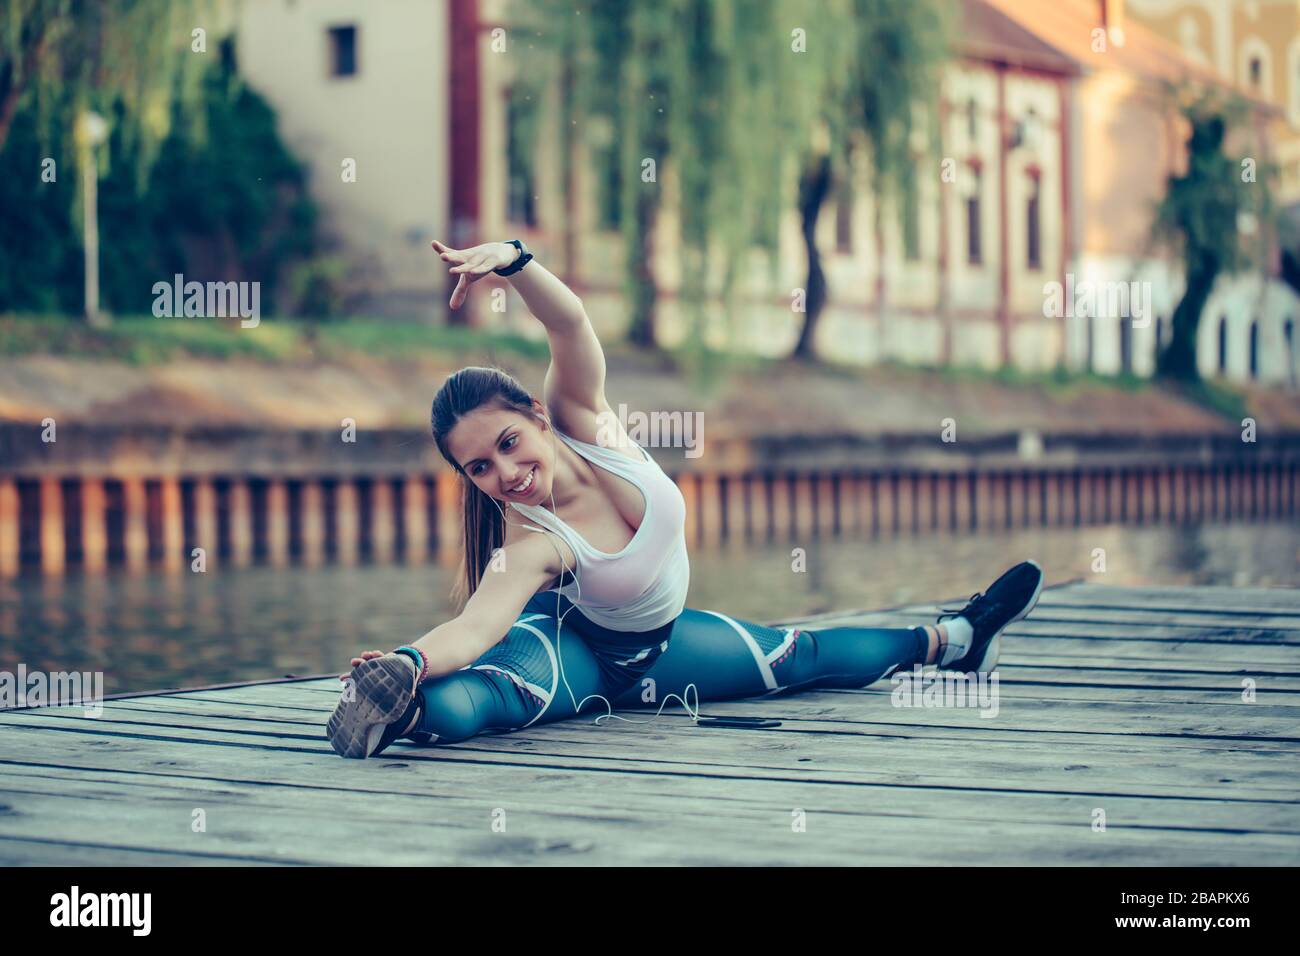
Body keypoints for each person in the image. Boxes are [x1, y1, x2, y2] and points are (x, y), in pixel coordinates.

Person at [326, 239, 1044, 759]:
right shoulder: (531, 541)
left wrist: (515, 262)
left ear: (536, 418)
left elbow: (569, 323)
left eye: (509, 443)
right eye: (479, 467)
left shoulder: (581, 417)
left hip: (664, 647)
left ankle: (957, 639)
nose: (505, 473)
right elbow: (478, 627)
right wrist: (410, 660)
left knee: (799, 657)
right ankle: (397, 706)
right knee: (496, 697)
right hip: (579, 650)